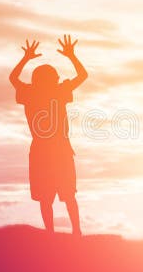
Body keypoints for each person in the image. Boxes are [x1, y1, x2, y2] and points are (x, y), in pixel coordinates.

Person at [9, 35, 88, 236]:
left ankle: (52, 233)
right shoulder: (58, 91)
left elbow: (12, 79)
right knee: (68, 195)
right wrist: (71, 55)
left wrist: (26, 58)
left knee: (47, 198)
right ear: (53, 79)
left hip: (42, 151)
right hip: (59, 149)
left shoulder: (30, 92)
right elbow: (82, 75)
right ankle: (76, 232)